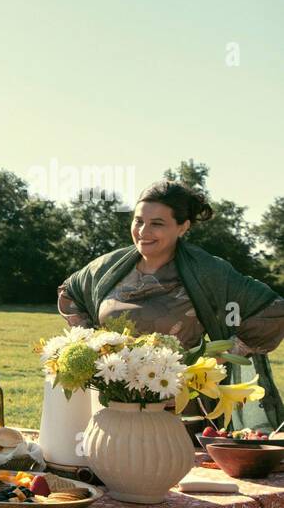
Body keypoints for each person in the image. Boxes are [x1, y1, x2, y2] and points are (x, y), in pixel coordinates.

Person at [59, 179, 284, 430]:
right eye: (138, 221)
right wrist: (92, 344)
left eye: (157, 223)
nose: (143, 231)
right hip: (114, 406)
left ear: (182, 227)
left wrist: (222, 357)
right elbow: (70, 293)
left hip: (177, 410)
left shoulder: (209, 272)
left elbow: (274, 310)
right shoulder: (107, 268)